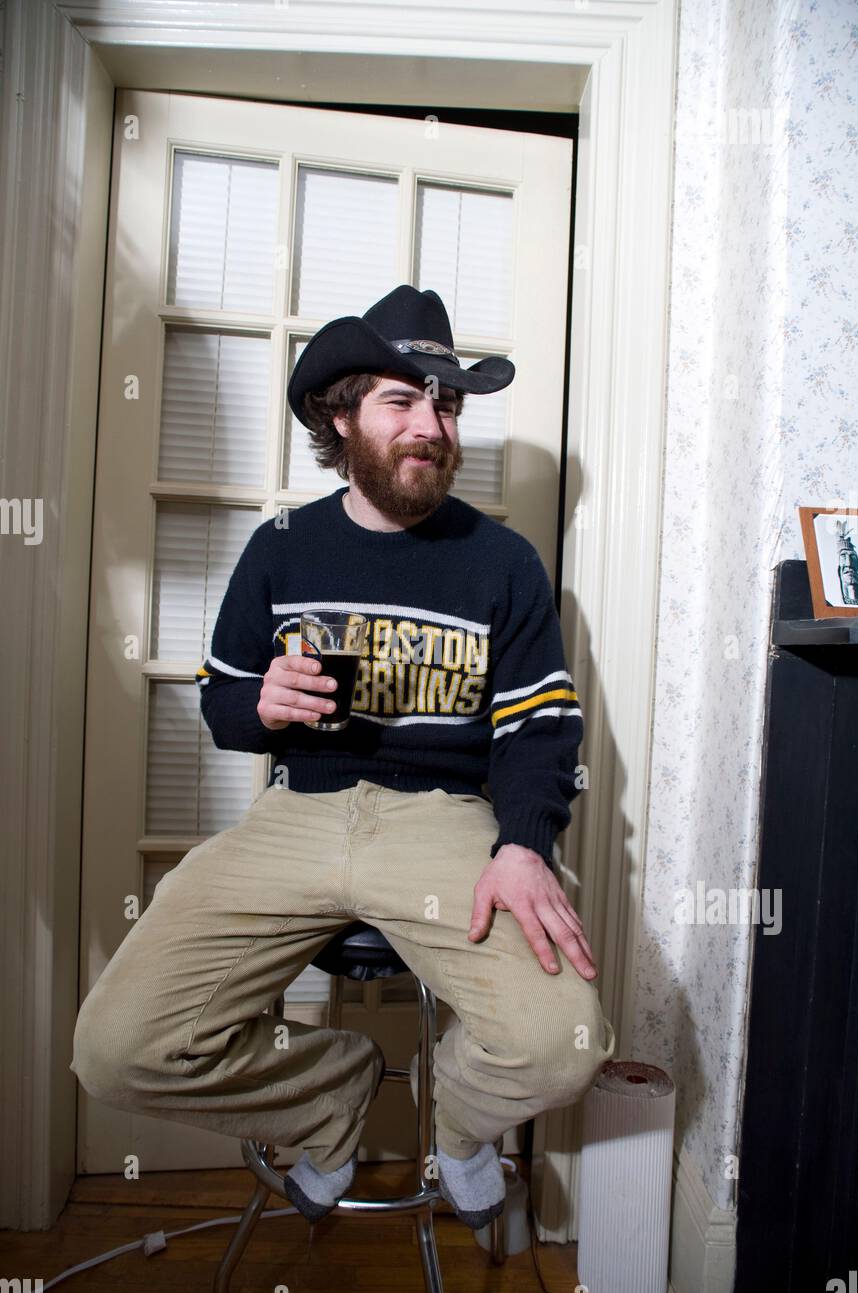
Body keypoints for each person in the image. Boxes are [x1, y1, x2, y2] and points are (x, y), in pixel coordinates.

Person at [70, 285, 616, 1232]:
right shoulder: (280, 546)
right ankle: (331, 1091)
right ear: (342, 415)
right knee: (116, 1050)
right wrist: (259, 704)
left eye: (445, 404)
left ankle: (460, 1121)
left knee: (564, 1047)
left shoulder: (504, 562)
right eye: (403, 402)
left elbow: (539, 727)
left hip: (445, 822)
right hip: (300, 813)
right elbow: (221, 700)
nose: (432, 426)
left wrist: (524, 844)